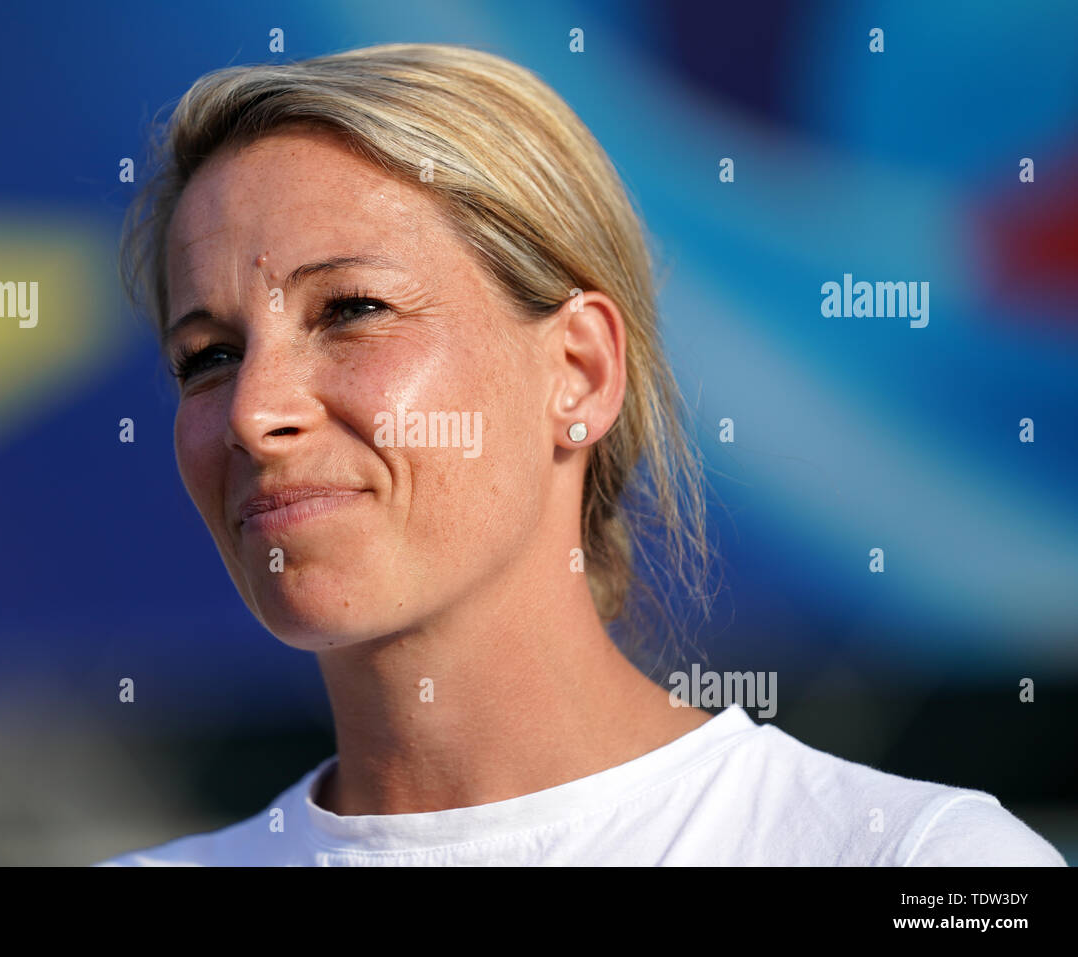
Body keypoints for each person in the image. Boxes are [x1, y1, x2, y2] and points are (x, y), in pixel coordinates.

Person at [99, 43, 1065, 866]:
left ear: (580, 369)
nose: (254, 411)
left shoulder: (924, 862)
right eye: (207, 357)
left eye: (352, 310)